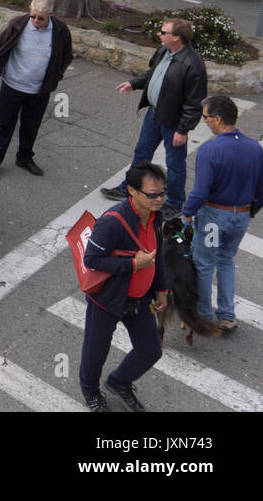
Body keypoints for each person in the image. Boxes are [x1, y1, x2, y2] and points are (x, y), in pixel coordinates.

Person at [79, 162, 170, 412]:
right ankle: (90, 392)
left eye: (162, 193)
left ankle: (119, 382)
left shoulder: (155, 216)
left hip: (140, 299)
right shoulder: (112, 222)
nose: (159, 199)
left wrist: (162, 287)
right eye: (152, 194)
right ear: (131, 190)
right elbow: (92, 260)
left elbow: (157, 254)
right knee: (95, 353)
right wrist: (132, 264)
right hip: (108, 300)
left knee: (151, 350)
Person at [104, 18, 207, 217]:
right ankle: (129, 187)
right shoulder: (163, 51)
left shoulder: (193, 64)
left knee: (175, 164)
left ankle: (176, 203)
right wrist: (133, 84)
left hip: (173, 122)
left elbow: (194, 103)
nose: (159, 34)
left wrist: (183, 129)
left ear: (176, 37)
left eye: (163, 32)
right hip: (154, 113)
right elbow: (152, 75)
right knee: (141, 152)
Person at [184, 95, 263, 332]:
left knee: (205, 263)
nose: (204, 121)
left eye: (206, 117)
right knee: (226, 260)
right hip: (240, 217)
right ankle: (227, 315)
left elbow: (200, 191)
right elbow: (261, 187)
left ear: (217, 119)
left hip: (213, 218)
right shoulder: (254, 148)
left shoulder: (210, 149)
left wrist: (187, 214)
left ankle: (205, 315)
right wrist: (250, 212)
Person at [0, 0, 74, 180]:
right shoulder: (19, 24)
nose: (35, 21)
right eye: (33, 16)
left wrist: (57, 74)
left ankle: (24, 158)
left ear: (51, 15)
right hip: (13, 86)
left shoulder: (60, 30)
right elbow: (0, 44)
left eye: (41, 18)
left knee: (31, 127)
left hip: (40, 90)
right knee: (3, 126)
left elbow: (66, 55)